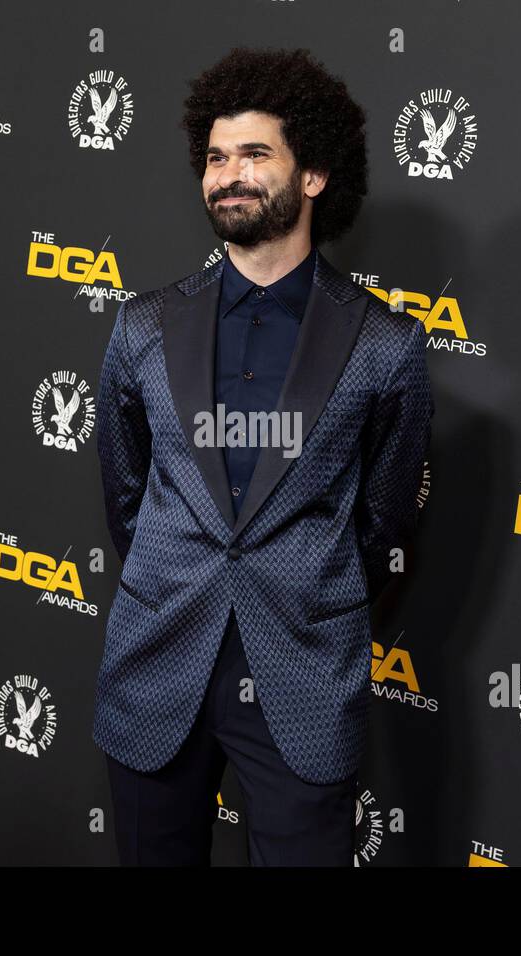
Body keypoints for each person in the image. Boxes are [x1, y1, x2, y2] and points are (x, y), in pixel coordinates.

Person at [91, 47, 434, 866]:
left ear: (312, 175)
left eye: (253, 155)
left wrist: (313, 587)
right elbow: (125, 496)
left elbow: (386, 519)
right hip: (156, 655)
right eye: (215, 158)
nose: (227, 175)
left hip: (302, 673)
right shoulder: (143, 326)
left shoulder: (385, 343)